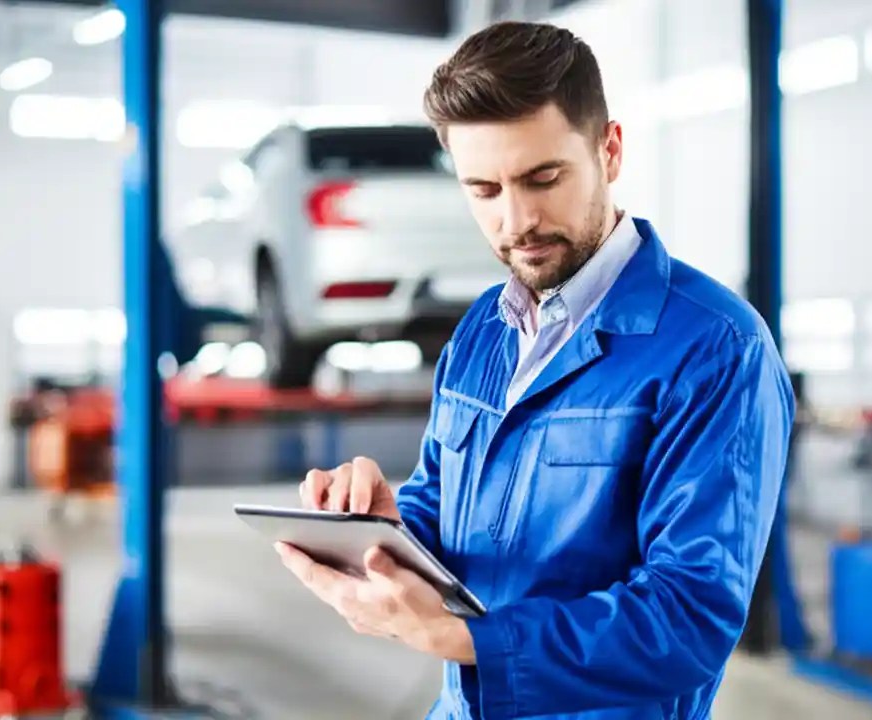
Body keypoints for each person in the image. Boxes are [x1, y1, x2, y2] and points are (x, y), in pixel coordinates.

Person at [272, 20, 795, 719]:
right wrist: (388, 526)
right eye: (483, 189)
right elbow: (449, 507)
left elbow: (688, 618)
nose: (516, 220)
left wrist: (467, 640)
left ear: (609, 150)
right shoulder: (483, 332)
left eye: (542, 178)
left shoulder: (715, 348)